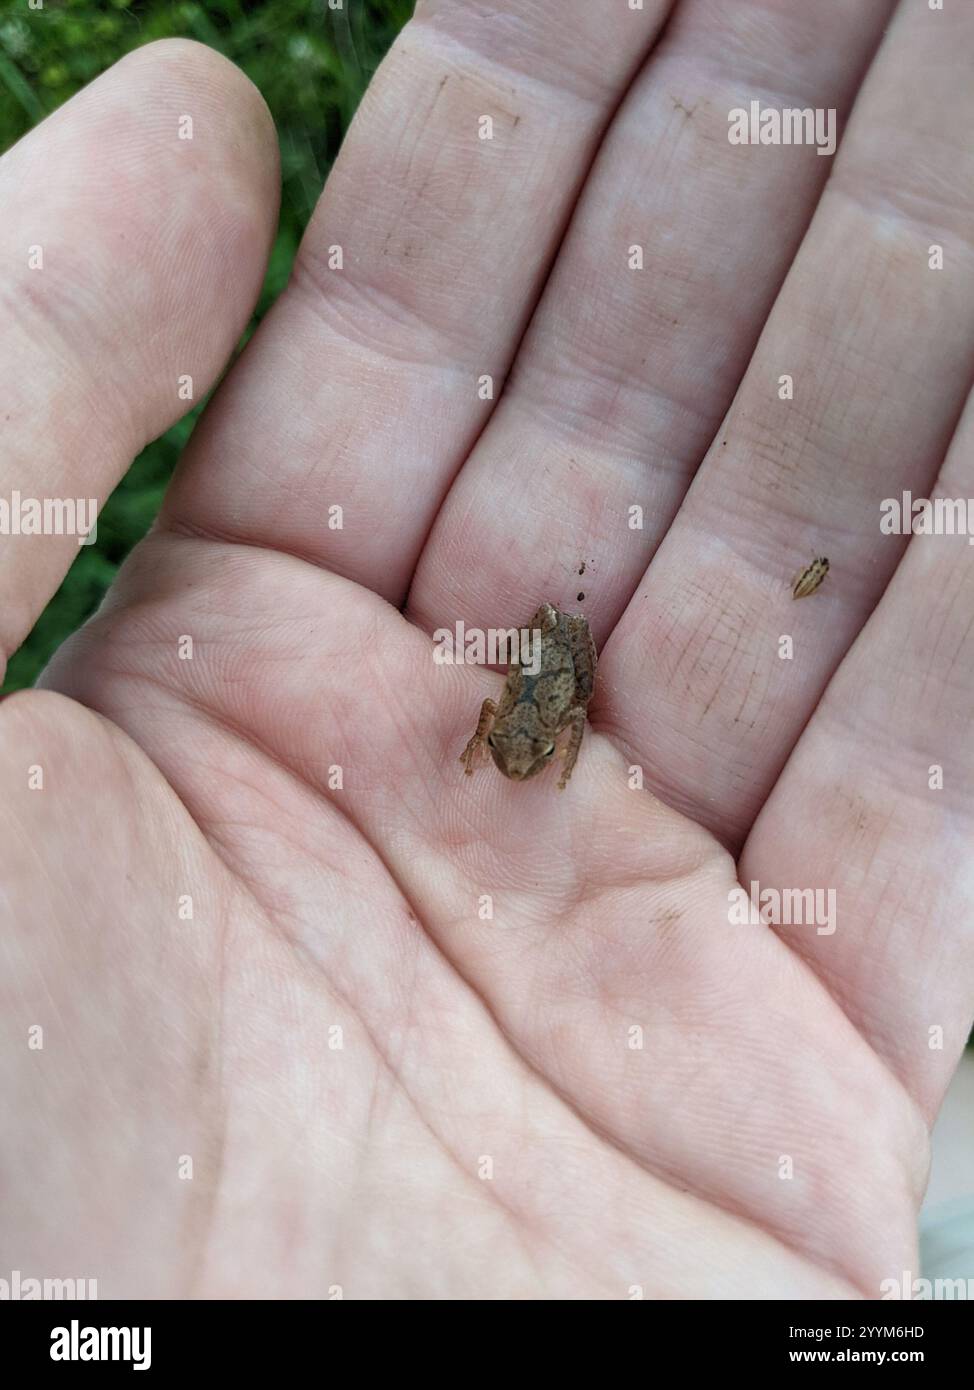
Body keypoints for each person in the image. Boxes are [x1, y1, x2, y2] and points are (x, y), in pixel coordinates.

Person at [1, 0, 972, 1298]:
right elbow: (523, 722)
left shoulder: (546, 709)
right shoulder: (526, 721)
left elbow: (546, 712)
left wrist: (532, 710)